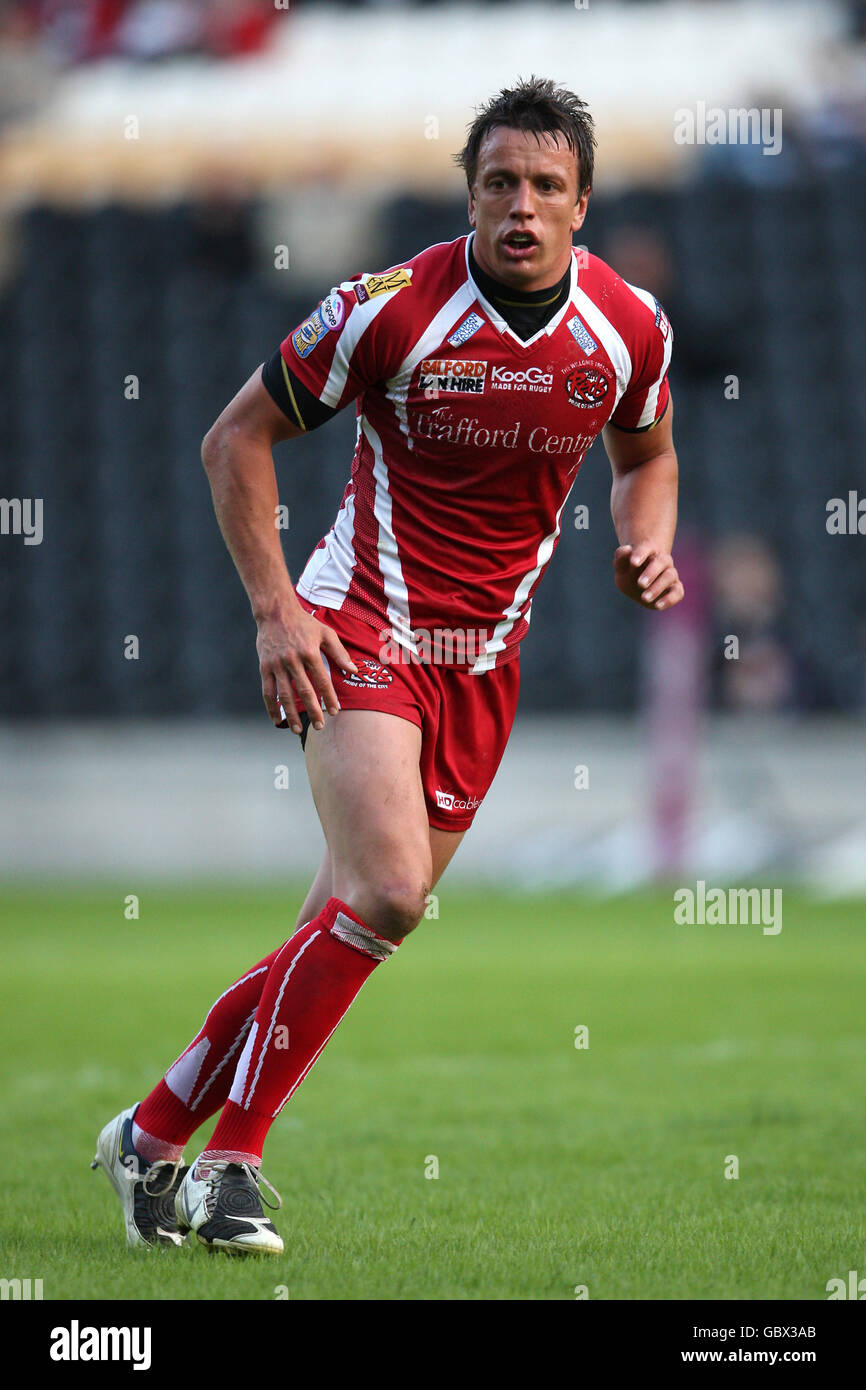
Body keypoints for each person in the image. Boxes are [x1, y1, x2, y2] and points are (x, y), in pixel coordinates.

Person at [92, 76, 684, 1255]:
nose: (520, 205)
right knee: (391, 892)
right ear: (469, 195)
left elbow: (647, 457)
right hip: (357, 627)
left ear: (580, 204)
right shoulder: (387, 310)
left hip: (482, 661)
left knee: (346, 923)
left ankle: (149, 1135)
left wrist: (644, 540)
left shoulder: (627, 328)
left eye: (545, 185)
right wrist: (276, 612)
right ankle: (229, 1167)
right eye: (499, 183)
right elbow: (233, 438)